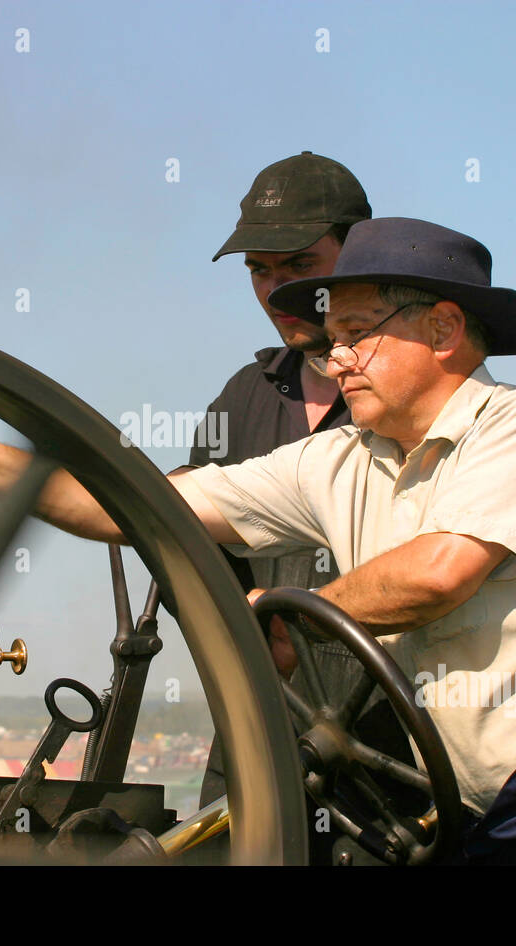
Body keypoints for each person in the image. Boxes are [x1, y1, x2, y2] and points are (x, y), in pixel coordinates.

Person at [0, 217, 516, 865]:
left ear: (443, 331)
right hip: (498, 806)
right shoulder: (338, 462)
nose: (336, 359)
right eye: (330, 341)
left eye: (358, 333)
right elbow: (150, 508)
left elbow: (442, 569)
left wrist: (289, 615)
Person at [187, 151, 374, 809]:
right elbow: (194, 553)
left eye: (299, 266)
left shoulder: (411, 402)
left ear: (360, 256)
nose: (274, 290)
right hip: (260, 747)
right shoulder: (244, 398)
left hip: (387, 758)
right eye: (258, 271)